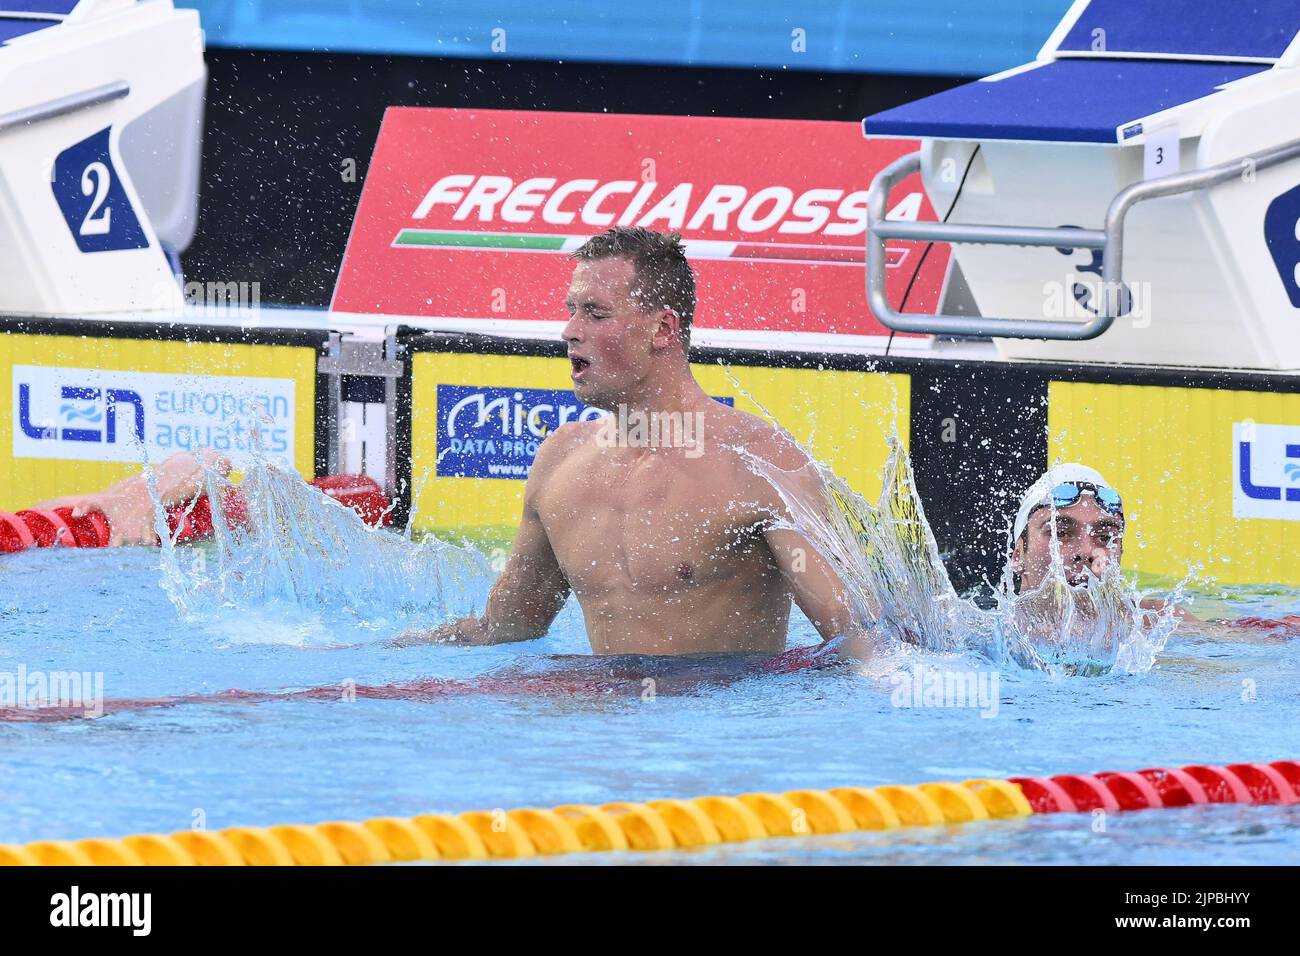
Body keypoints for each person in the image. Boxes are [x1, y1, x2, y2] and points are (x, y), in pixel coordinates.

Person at [398, 227, 874, 659]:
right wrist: (382, 654)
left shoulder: (758, 462)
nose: (569, 330)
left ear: (663, 330)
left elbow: (855, 639)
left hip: (716, 726)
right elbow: (508, 626)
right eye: (571, 311)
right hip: (602, 731)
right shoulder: (560, 458)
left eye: (596, 314)